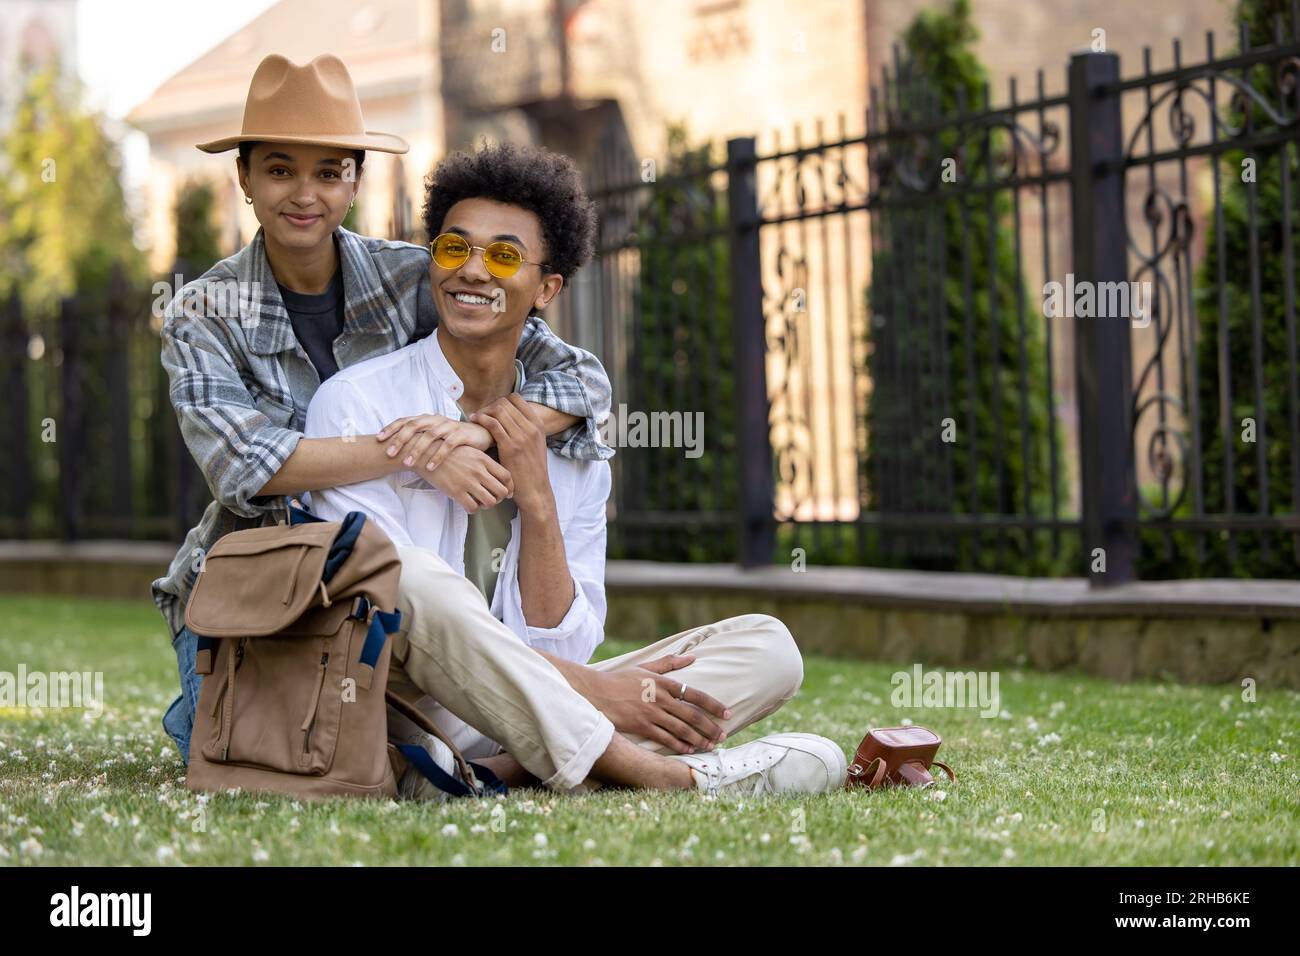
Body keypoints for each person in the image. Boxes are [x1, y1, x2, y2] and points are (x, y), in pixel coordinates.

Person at [304, 142, 848, 798]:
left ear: (548, 287)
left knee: (769, 649)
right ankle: (654, 774)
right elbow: (390, 627)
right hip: (412, 711)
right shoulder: (359, 404)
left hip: (529, 712)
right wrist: (598, 694)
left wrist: (537, 504)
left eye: (504, 255)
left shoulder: (572, 437)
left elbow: (567, 640)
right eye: (454, 248)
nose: (472, 272)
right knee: (405, 577)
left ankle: (494, 775)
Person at [153, 53, 615, 764]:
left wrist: (477, 440)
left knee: (410, 633)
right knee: (229, 750)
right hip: (258, 590)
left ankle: (533, 722)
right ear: (244, 177)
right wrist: (423, 448)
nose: (305, 194)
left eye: (330, 172)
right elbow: (244, 464)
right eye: (280, 170)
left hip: (382, 598)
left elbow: (581, 384)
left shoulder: (415, 274)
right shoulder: (203, 313)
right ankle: (591, 719)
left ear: (355, 180)